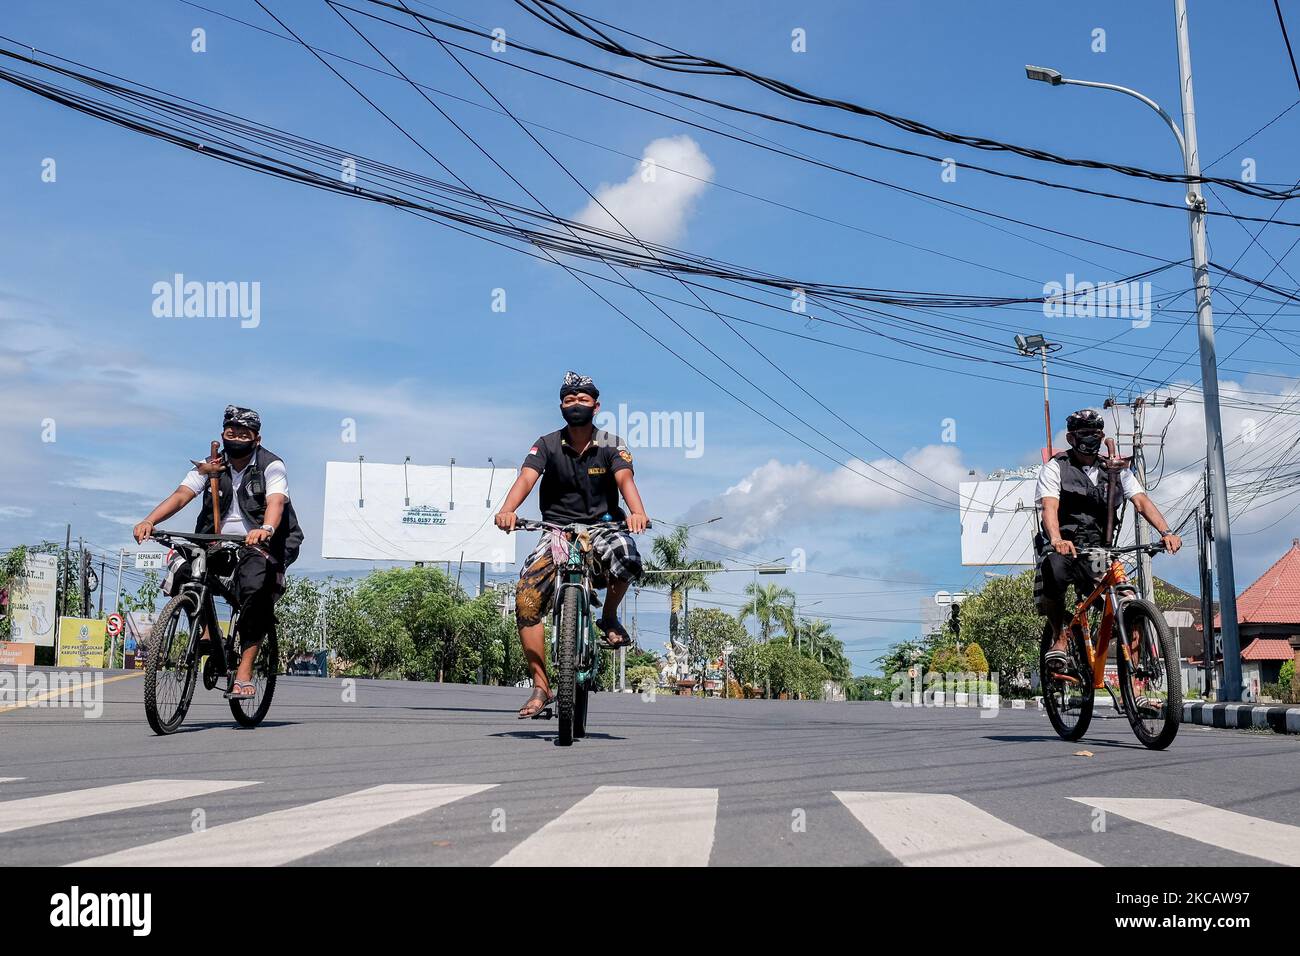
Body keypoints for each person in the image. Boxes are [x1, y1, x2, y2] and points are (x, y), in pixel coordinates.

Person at [495, 372, 649, 718]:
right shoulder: (546, 444)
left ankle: (608, 617)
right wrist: (508, 510)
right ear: (561, 405)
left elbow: (625, 478)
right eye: (569, 399)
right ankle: (541, 685)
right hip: (556, 531)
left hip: (603, 527)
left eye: (582, 399)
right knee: (526, 599)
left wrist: (637, 513)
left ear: (596, 405)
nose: (575, 404)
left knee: (627, 557)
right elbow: (526, 477)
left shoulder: (612, 443)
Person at [133, 406, 304, 698]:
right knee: (184, 567)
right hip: (214, 540)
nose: (236, 437)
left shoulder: (271, 466)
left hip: (262, 543)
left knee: (255, 591)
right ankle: (206, 634)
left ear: (256, 439)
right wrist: (150, 520)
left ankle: (244, 673)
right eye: (230, 432)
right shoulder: (211, 465)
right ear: (223, 435)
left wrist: (266, 529)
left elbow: (276, 503)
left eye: (243, 433)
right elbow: (180, 496)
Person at [1035, 408, 1181, 670]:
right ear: (1071, 438)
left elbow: (1141, 501)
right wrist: (1056, 539)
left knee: (1128, 605)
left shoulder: (1115, 470)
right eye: (1084, 433)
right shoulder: (1056, 468)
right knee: (1054, 572)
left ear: (1102, 437)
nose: (1090, 438)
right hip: (1066, 548)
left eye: (1095, 433)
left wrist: (1166, 532)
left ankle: (1136, 690)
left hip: (1099, 553)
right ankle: (1059, 636)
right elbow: (1049, 507)